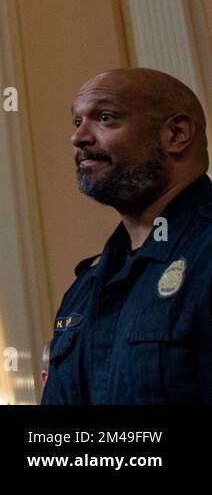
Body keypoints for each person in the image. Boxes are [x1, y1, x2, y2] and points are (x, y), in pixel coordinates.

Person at [42, 67, 212, 404]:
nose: (78, 138)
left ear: (176, 134)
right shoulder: (83, 289)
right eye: (77, 122)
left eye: (105, 117)